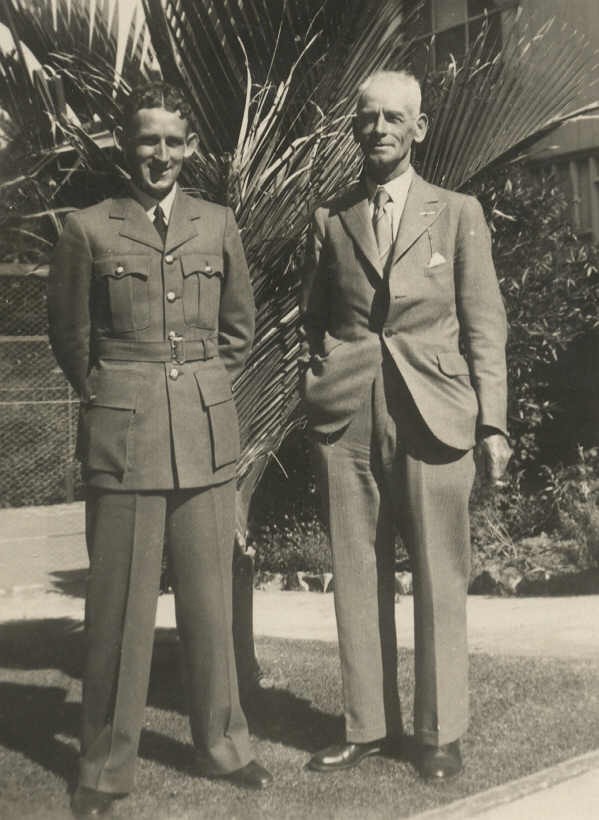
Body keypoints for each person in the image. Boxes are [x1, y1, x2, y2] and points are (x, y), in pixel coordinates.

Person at [48, 81, 272, 818]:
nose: (162, 155)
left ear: (191, 149)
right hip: (125, 431)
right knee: (117, 610)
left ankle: (224, 746)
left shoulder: (218, 223)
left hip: (203, 432)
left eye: (174, 142)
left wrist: (199, 390)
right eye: (148, 141)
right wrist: (120, 392)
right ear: (125, 144)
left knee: (211, 601)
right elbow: (71, 339)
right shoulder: (89, 227)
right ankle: (106, 767)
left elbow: (236, 331)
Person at [300, 70, 512, 780]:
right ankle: (365, 725)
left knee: (438, 575)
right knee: (354, 573)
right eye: (368, 118)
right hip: (348, 417)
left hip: (435, 415)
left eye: (395, 118)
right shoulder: (330, 217)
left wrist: (492, 424)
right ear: (354, 128)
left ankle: (439, 732)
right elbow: (312, 320)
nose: (380, 129)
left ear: (418, 129)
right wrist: (319, 379)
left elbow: (484, 325)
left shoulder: (457, 212)